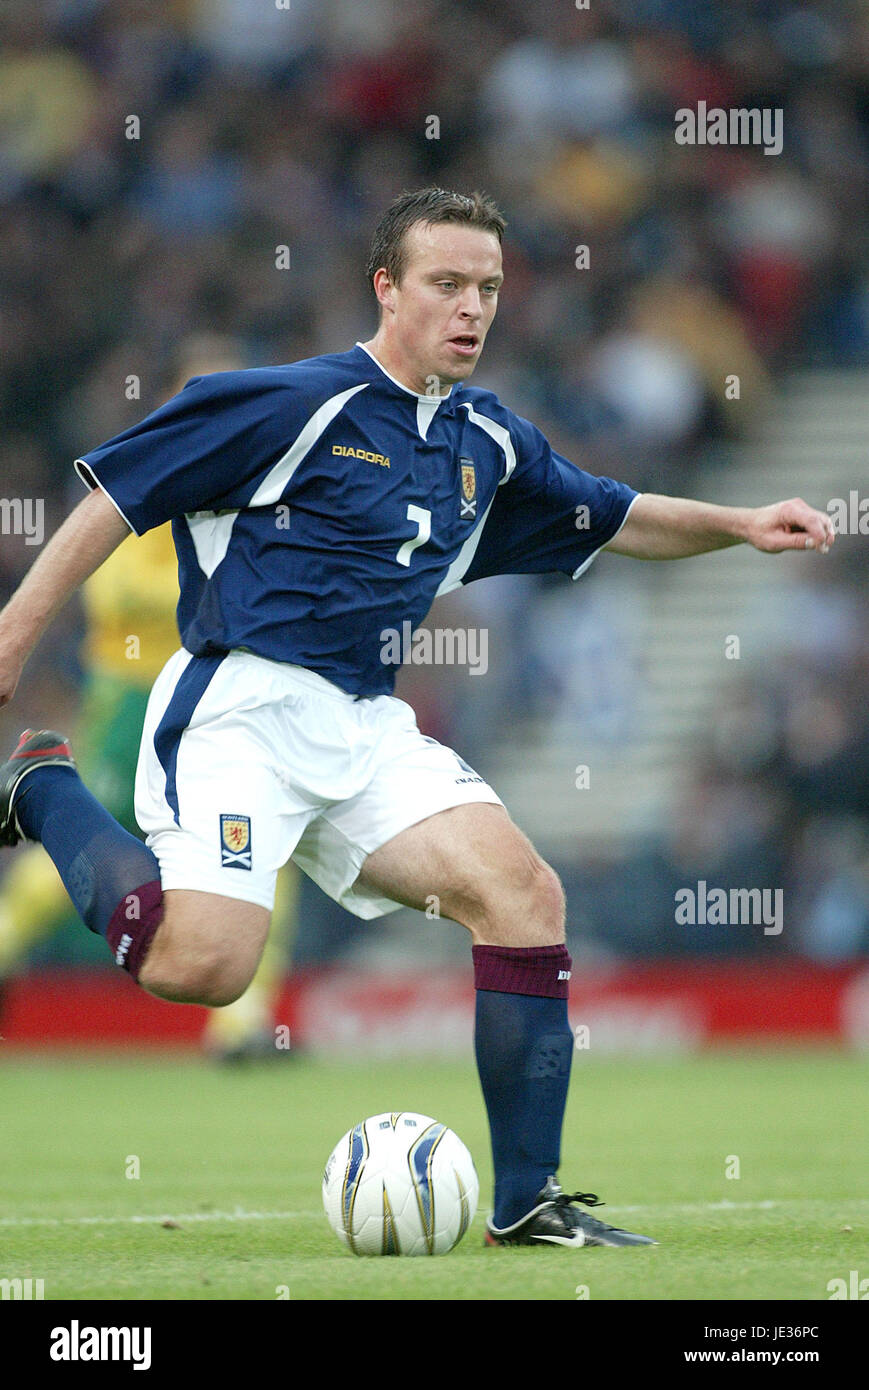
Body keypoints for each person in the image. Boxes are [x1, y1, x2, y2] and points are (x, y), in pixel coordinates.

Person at [0, 188, 835, 1249]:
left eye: (486, 288)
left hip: (362, 726)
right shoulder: (282, 403)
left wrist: (740, 524)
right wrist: (15, 634)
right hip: (239, 711)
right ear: (384, 289)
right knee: (202, 969)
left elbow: (618, 515)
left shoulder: (487, 440)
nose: (470, 309)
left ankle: (526, 1201)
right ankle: (41, 785)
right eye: (445, 284)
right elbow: (114, 499)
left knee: (523, 892)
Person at [0, 337, 298, 1064]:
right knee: (57, 869)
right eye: (206, 387)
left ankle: (242, 1027)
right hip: (134, 705)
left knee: (267, 852)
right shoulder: (158, 469)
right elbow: (114, 589)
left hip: (218, 710)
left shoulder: (257, 485)